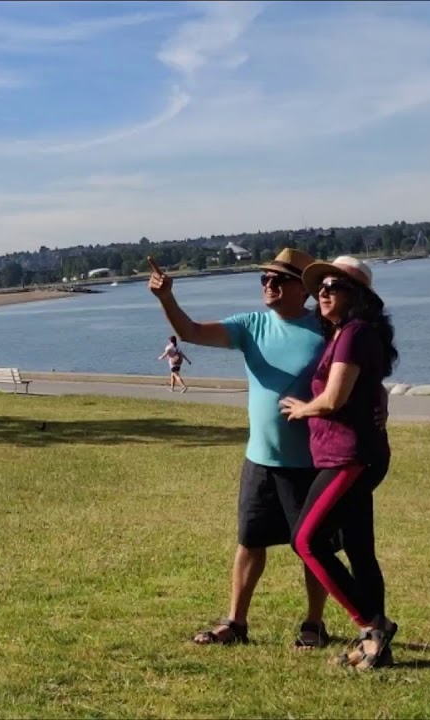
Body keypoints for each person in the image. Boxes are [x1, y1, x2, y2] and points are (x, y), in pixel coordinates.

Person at [148, 249, 333, 649]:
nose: (268, 285)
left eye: (278, 279)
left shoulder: (327, 329)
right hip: (260, 458)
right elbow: (193, 331)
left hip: (310, 462)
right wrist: (166, 299)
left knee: (313, 549)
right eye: (265, 278)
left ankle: (314, 624)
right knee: (250, 542)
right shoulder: (252, 325)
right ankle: (236, 623)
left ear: (303, 288)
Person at [279, 256, 398, 670]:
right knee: (360, 549)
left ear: (358, 296)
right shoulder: (347, 333)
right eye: (321, 286)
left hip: (349, 457)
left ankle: (371, 626)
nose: (323, 292)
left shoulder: (353, 333)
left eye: (335, 285)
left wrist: (302, 409)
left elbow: (334, 399)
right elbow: (368, 386)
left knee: (307, 540)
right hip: (354, 454)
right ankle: (376, 646)